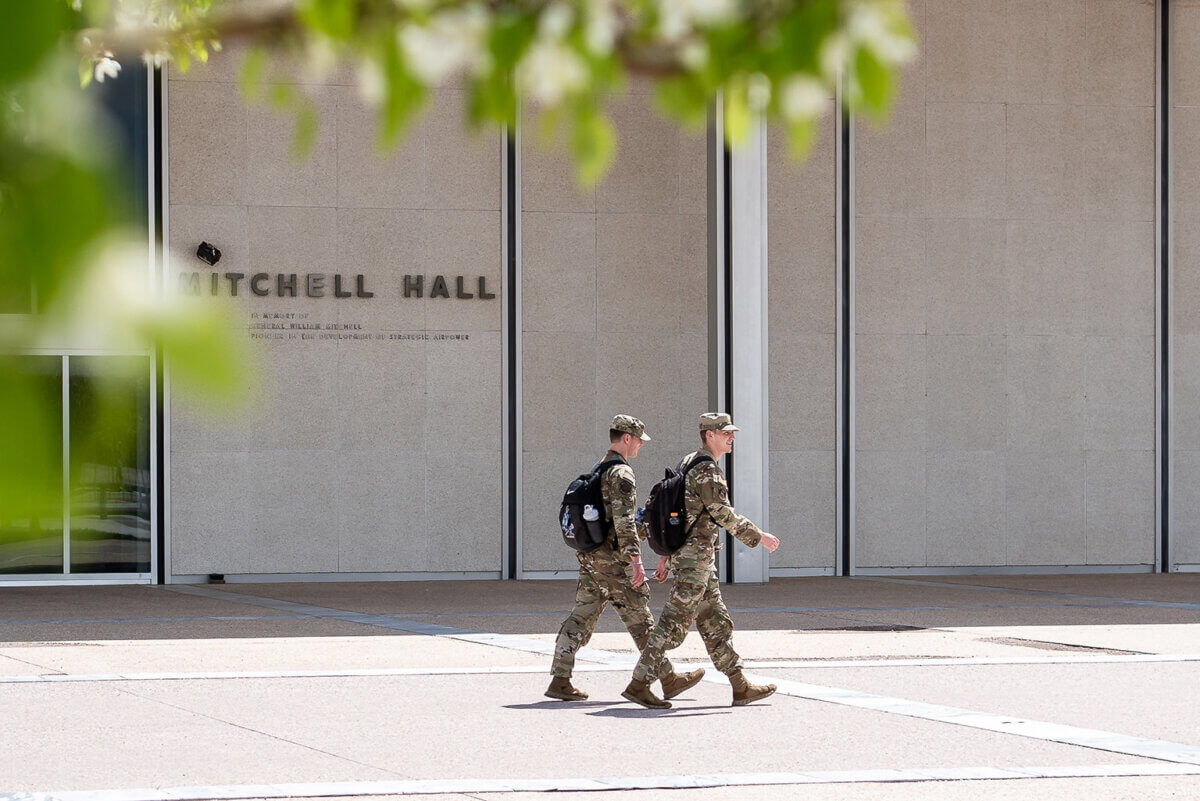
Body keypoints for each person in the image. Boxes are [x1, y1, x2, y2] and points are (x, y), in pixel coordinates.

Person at [622, 412, 781, 709]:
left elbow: (680, 513)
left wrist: (668, 554)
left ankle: (739, 685)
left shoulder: (688, 461)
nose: (731, 437)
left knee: (715, 622)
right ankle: (639, 683)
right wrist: (758, 536)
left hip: (697, 559)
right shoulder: (707, 469)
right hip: (695, 561)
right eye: (725, 433)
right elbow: (721, 512)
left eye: (731, 433)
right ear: (709, 435)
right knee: (671, 625)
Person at [546, 415, 706, 702]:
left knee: (581, 616)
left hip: (591, 558)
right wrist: (635, 561)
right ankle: (662, 681)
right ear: (627, 438)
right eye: (638, 441)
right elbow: (623, 522)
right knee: (640, 619)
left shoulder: (599, 467)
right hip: (613, 561)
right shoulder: (621, 473)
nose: (640, 447)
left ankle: (560, 679)